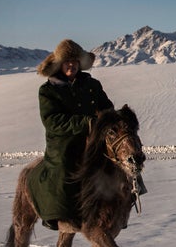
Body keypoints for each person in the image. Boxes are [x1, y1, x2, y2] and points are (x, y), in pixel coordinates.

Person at [28, 39, 114, 230]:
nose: (72, 65)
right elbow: (52, 121)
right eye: (68, 61)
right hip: (64, 142)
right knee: (62, 169)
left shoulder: (92, 84)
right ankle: (57, 214)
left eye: (75, 61)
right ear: (59, 64)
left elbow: (106, 106)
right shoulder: (48, 90)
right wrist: (85, 122)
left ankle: (123, 205)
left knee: (122, 158)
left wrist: (109, 117)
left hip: (92, 138)